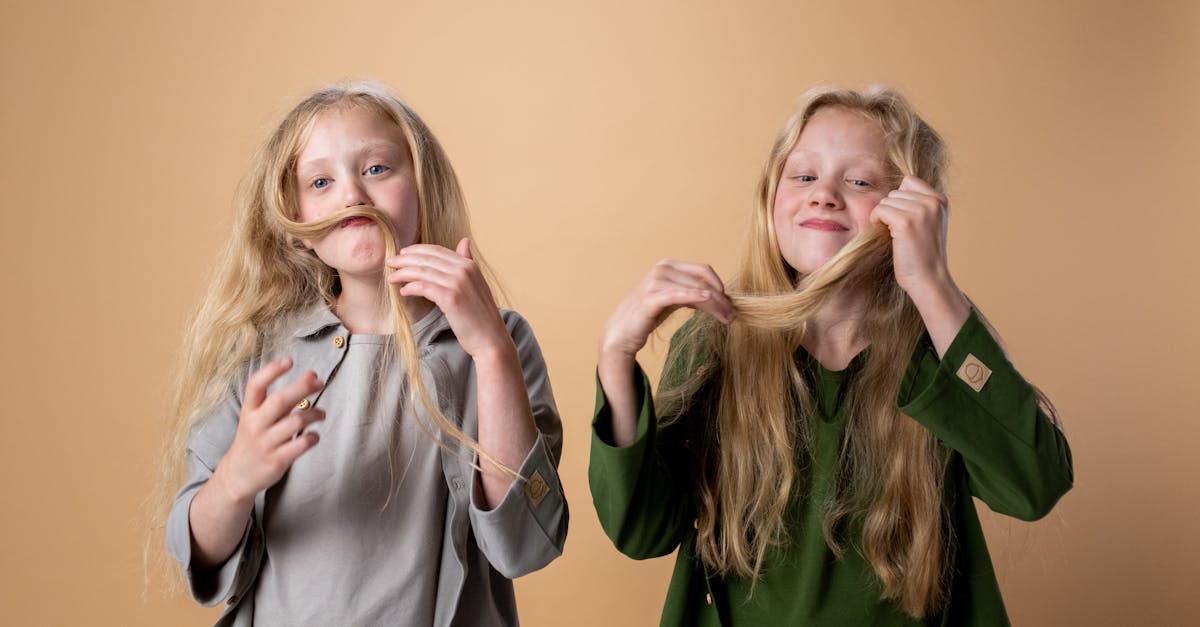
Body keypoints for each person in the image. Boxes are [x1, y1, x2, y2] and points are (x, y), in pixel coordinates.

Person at [589, 86, 1073, 625]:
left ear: (911, 211)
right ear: (770, 196)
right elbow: (642, 530)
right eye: (803, 176)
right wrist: (615, 357)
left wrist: (933, 284)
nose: (824, 195)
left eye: (861, 181)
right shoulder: (714, 341)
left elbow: (1033, 487)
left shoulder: (941, 343)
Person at [155, 81, 567, 626]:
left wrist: (490, 352)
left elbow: (525, 545)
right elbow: (201, 557)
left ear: (424, 187)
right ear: (296, 225)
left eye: (376, 169)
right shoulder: (258, 350)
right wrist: (234, 479)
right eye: (321, 181)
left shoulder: (501, 341)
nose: (352, 195)